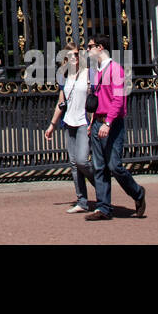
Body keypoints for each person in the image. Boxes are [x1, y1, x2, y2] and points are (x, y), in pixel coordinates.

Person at [84, 35, 146, 221]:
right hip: (97, 122)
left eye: (90, 46)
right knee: (98, 166)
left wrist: (108, 123)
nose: (87, 50)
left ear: (100, 47)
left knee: (114, 166)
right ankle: (103, 208)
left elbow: (119, 100)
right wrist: (93, 121)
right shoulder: (95, 71)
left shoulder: (116, 69)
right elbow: (97, 100)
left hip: (112, 123)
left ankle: (138, 193)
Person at [43, 43, 96, 214]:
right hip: (68, 122)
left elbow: (96, 99)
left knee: (82, 161)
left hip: (83, 122)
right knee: (73, 164)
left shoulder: (89, 74)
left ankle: (101, 184)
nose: (74, 58)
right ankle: (82, 201)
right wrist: (52, 125)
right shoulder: (64, 77)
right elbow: (61, 102)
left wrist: (93, 120)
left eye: (77, 54)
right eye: (71, 55)